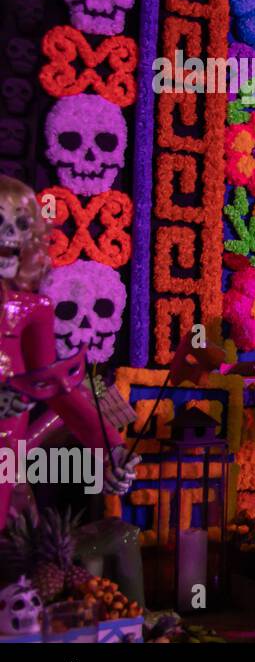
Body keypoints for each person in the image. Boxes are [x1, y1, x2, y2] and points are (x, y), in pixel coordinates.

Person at [0, 176, 138, 529]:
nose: (9, 233)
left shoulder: (34, 310)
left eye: (20, 223)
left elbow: (58, 390)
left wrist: (111, 448)